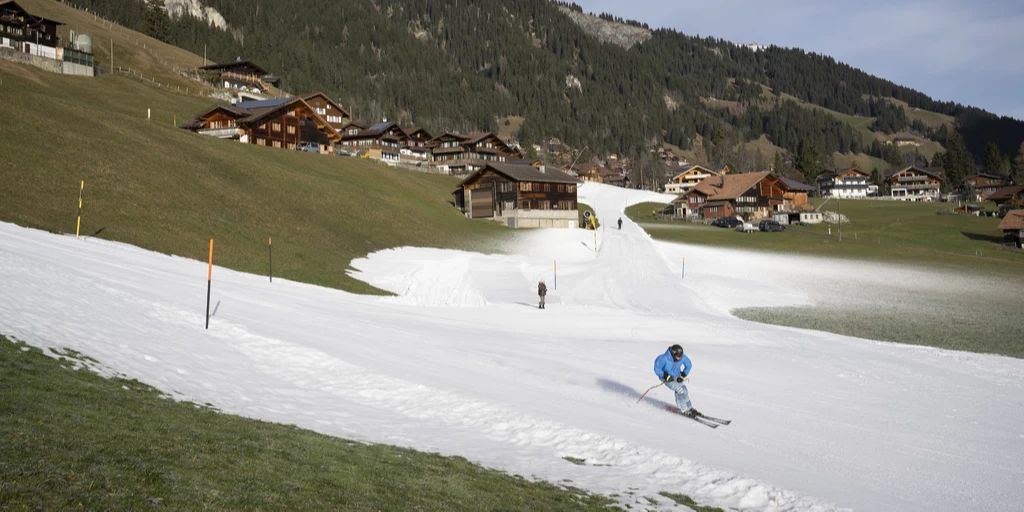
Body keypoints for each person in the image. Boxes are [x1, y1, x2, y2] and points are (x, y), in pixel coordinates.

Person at [653, 344, 698, 417]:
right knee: (680, 390)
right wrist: (665, 375)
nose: (680, 358)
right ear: (673, 354)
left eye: (681, 356)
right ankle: (685, 410)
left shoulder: (681, 356)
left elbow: (688, 365)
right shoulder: (663, 358)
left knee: (684, 390)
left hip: (677, 377)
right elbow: (657, 369)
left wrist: (683, 375)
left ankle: (689, 408)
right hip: (667, 378)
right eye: (678, 357)